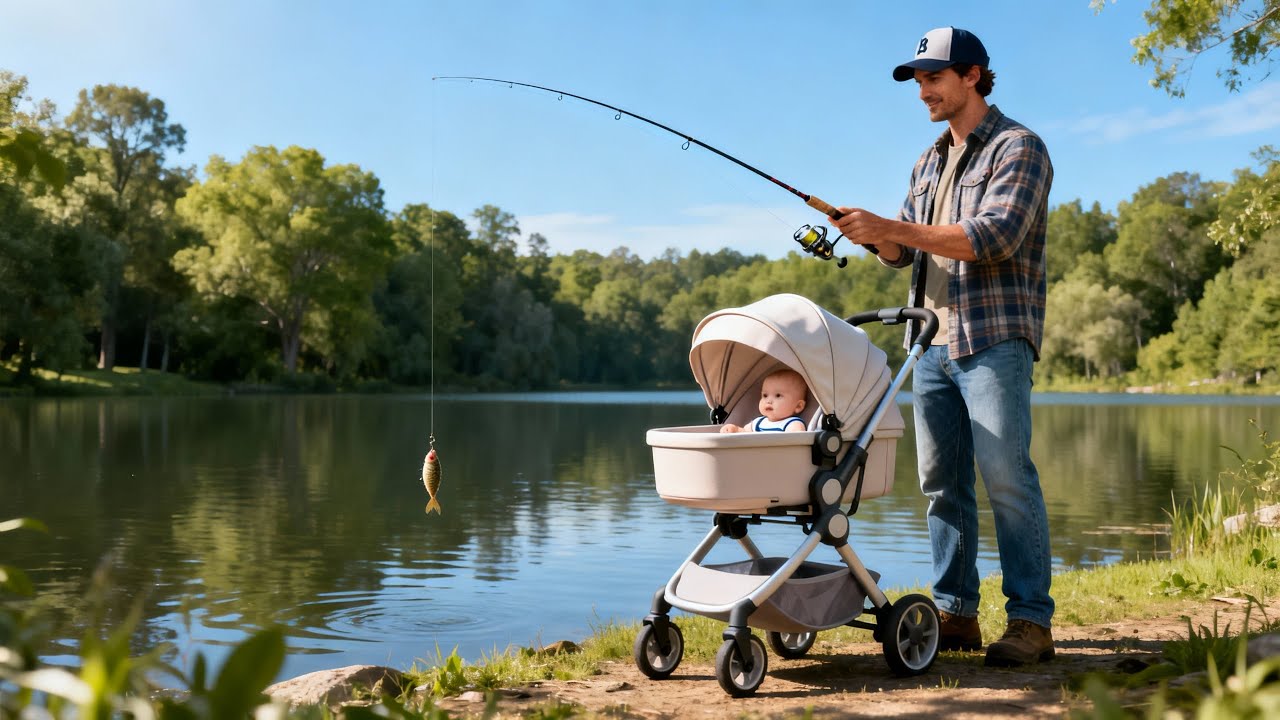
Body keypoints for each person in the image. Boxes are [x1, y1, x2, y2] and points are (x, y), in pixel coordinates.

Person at [826, 26, 1055, 667]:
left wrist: (896, 227)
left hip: (993, 340)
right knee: (939, 484)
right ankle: (956, 613)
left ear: (973, 76)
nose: (923, 90)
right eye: (918, 80)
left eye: (933, 78)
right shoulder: (927, 160)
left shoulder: (1020, 148)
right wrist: (870, 234)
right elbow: (906, 254)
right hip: (927, 342)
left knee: (1007, 477)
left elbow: (995, 236)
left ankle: (1031, 621)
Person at [720, 368, 808, 433]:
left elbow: (796, 440)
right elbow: (744, 432)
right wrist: (734, 429)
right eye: (765, 395)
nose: (768, 401)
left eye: (778, 395)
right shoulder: (758, 423)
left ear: (798, 406)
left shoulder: (792, 424)